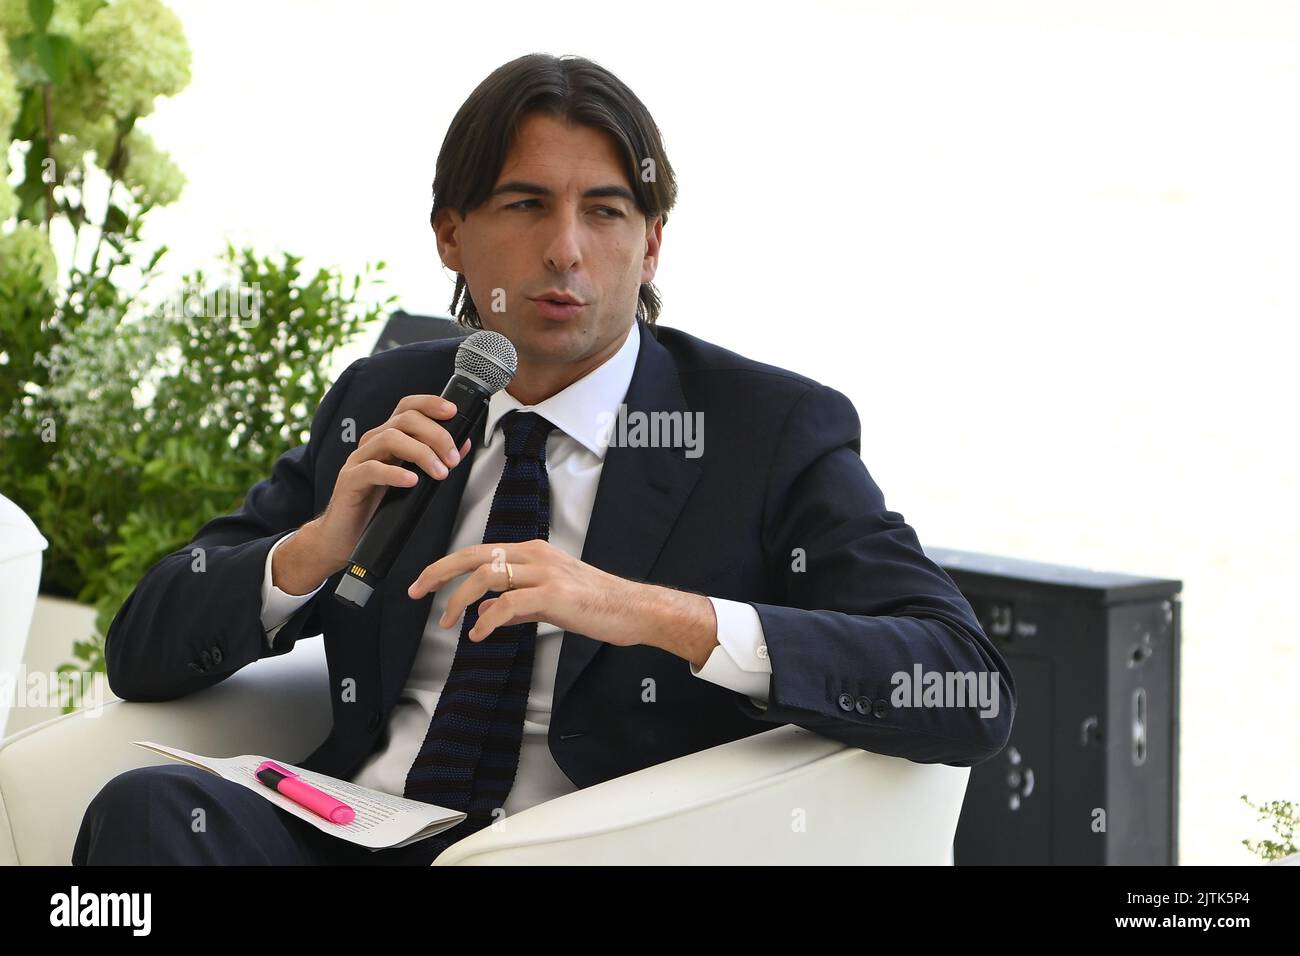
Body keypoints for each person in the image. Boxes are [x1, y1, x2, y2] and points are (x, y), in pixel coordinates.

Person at [73, 52, 1014, 866]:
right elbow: (141, 651)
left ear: (650, 246)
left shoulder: (766, 430)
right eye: (526, 205)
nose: (565, 251)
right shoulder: (384, 398)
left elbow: (965, 683)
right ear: (452, 233)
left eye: (605, 213)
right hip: (357, 829)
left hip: (581, 847)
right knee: (148, 813)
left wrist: (649, 613)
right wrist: (315, 549)